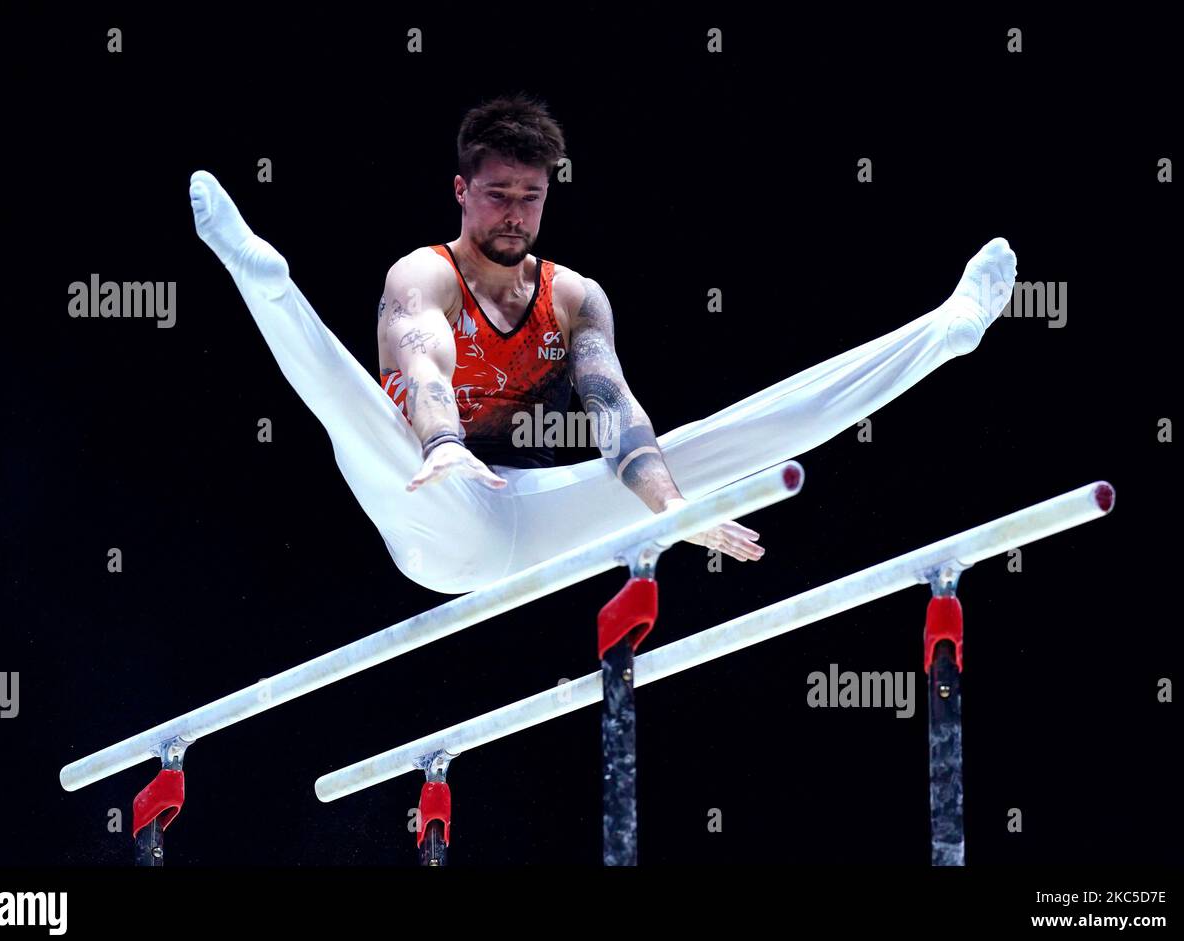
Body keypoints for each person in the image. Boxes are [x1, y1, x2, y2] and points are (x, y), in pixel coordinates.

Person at [190, 95, 1015, 595]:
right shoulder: (423, 275)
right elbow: (422, 355)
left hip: (527, 509)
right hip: (426, 504)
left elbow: (611, 403)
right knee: (356, 412)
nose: (514, 213)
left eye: (531, 196)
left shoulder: (574, 296)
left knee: (702, 455)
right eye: (496, 196)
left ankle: (946, 332)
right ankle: (266, 282)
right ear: (460, 192)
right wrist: (441, 440)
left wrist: (668, 508)